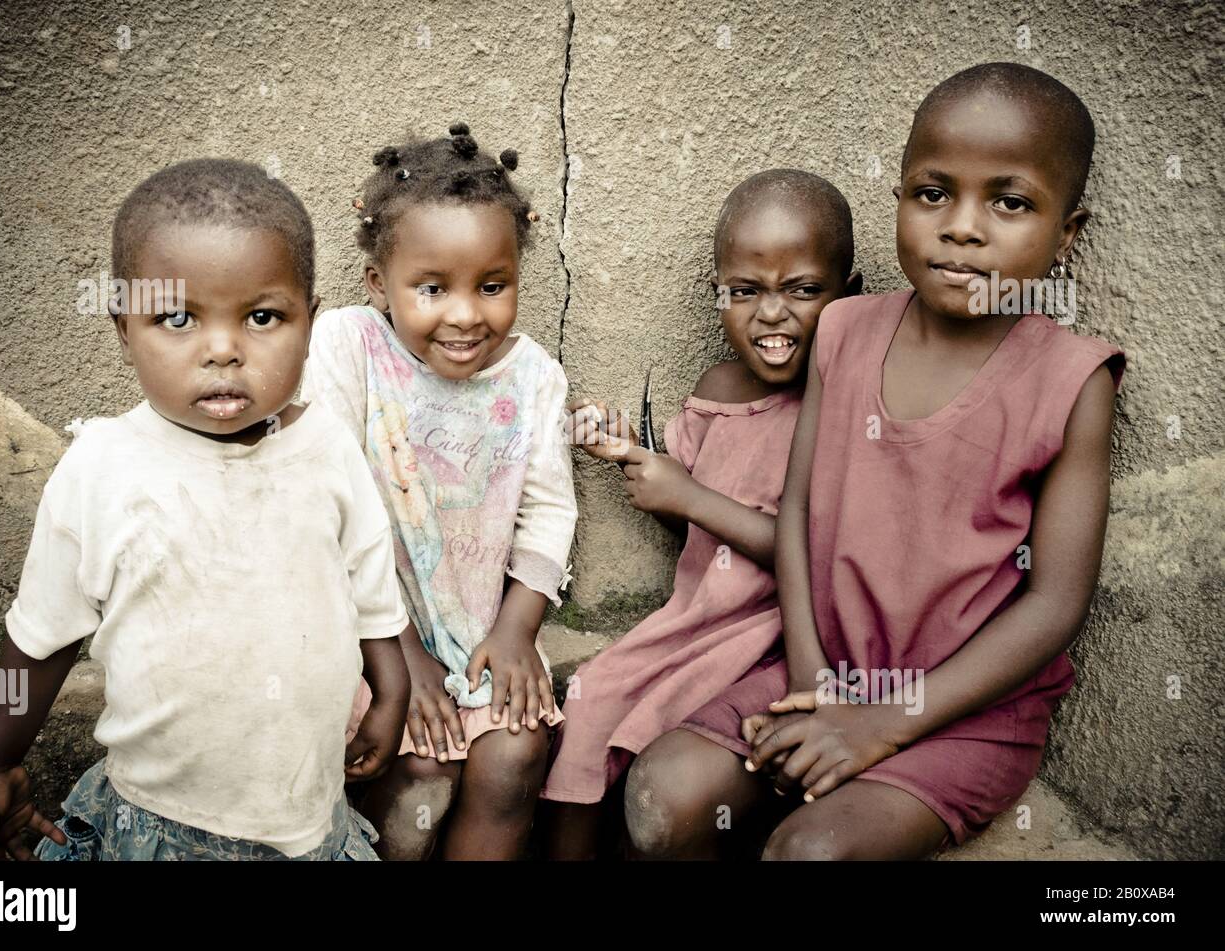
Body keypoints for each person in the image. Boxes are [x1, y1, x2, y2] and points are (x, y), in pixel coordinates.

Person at [628, 63, 1125, 860]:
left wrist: (883, 723)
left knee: (811, 852)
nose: (962, 227)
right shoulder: (846, 330)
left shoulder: (1072, 379)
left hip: (967, 713)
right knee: (665, 796)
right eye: (933, 193)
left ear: (1067, 232)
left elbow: (1054, 604)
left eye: (1010, 202)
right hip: (824, 667)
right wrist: (817, 676)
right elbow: (798, 512)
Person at [0, 159, 410, 861]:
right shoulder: (104, 466)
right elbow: (42, 636)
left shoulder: (327, 443)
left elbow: (365, 578)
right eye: (176, 318)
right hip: (156, 828)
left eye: (263, 317)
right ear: (122, 327)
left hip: (308, 820)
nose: (224, 350)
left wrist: (391, 683)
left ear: (310, 320)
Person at [542, 170, 861, 859]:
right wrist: (629, 455)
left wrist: (688, 496)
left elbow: (811, 549)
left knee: (665, 765)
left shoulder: (846, 410)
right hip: (692, 620)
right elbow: (692, 517)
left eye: (802, 290)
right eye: (744, 291)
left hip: (777, 637)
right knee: (589, 698)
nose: (770, 313)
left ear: (851, 296)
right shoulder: (717, 390)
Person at [301, 123, 577, 860]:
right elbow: (325, 504)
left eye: (492, 286)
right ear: (377, 285)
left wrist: (518, 630)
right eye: (431, 288)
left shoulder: (534, 378)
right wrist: (398, 655)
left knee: (514, 754)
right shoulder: (349, 348)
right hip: (368, 638)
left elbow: (550, 511)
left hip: (485, 631)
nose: (465, 315)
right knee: (419, 765)